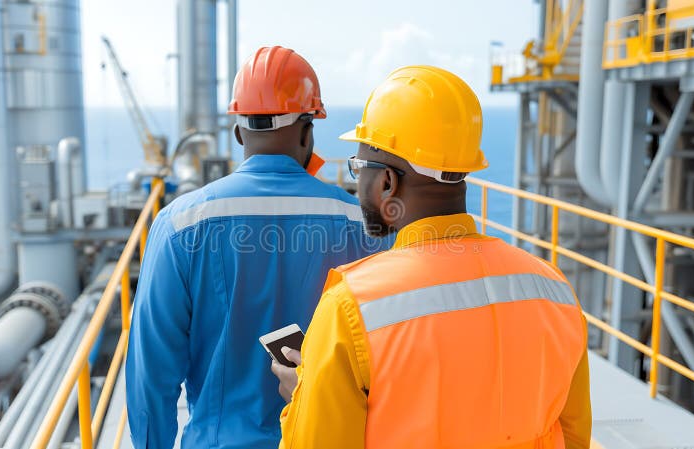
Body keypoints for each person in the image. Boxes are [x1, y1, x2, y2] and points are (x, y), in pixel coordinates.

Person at [273, 65, 592, 449]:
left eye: (359, 168)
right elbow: (574, 436)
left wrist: (303, 399)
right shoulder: (553, 289)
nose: (356, 183)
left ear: (388, 182)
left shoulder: (351, 307)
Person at [126, 46, 385, 449]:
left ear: (237, 133)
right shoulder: (364, 224)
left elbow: (150, 376)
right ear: (307, 131)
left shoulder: (179, 224)